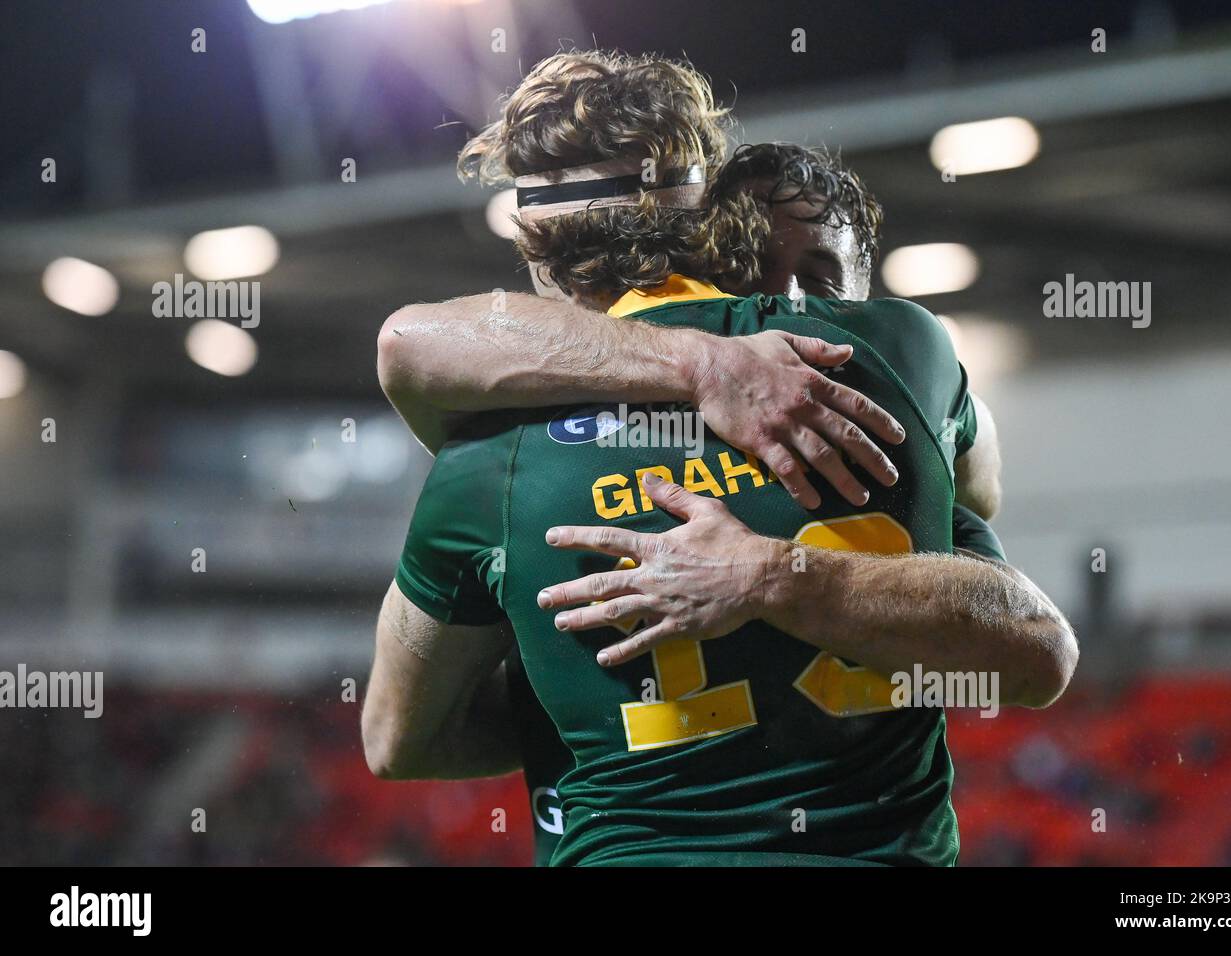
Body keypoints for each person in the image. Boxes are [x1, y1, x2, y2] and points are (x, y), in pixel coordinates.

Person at [363, 51, 1075, 865]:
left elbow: (397, 743)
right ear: (702, 207)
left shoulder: (489, 455)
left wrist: (567, 692)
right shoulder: (901, 352)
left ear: (531, 240)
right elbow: (984, 506)